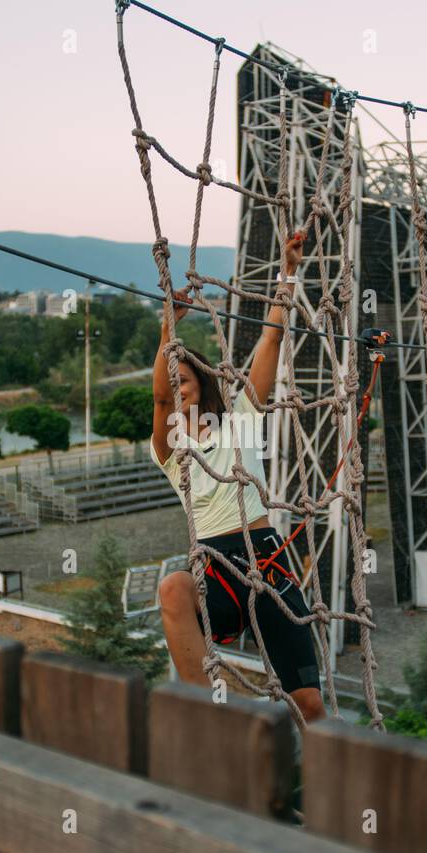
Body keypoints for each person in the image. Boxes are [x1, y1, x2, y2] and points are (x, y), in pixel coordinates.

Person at [151, 232, 327, 723]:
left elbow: (271, 338)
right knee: (172, 589)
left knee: (309, 704)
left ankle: (326, 786)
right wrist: (168, 329)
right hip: (217, 564)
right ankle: (205, 715)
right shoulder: (169, 448)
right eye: (172, 384)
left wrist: (287, 273)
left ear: (201, 384)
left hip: (264, 556)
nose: (177, 391)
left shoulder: (241, 419)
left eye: (184, 380)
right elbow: (160, 398)